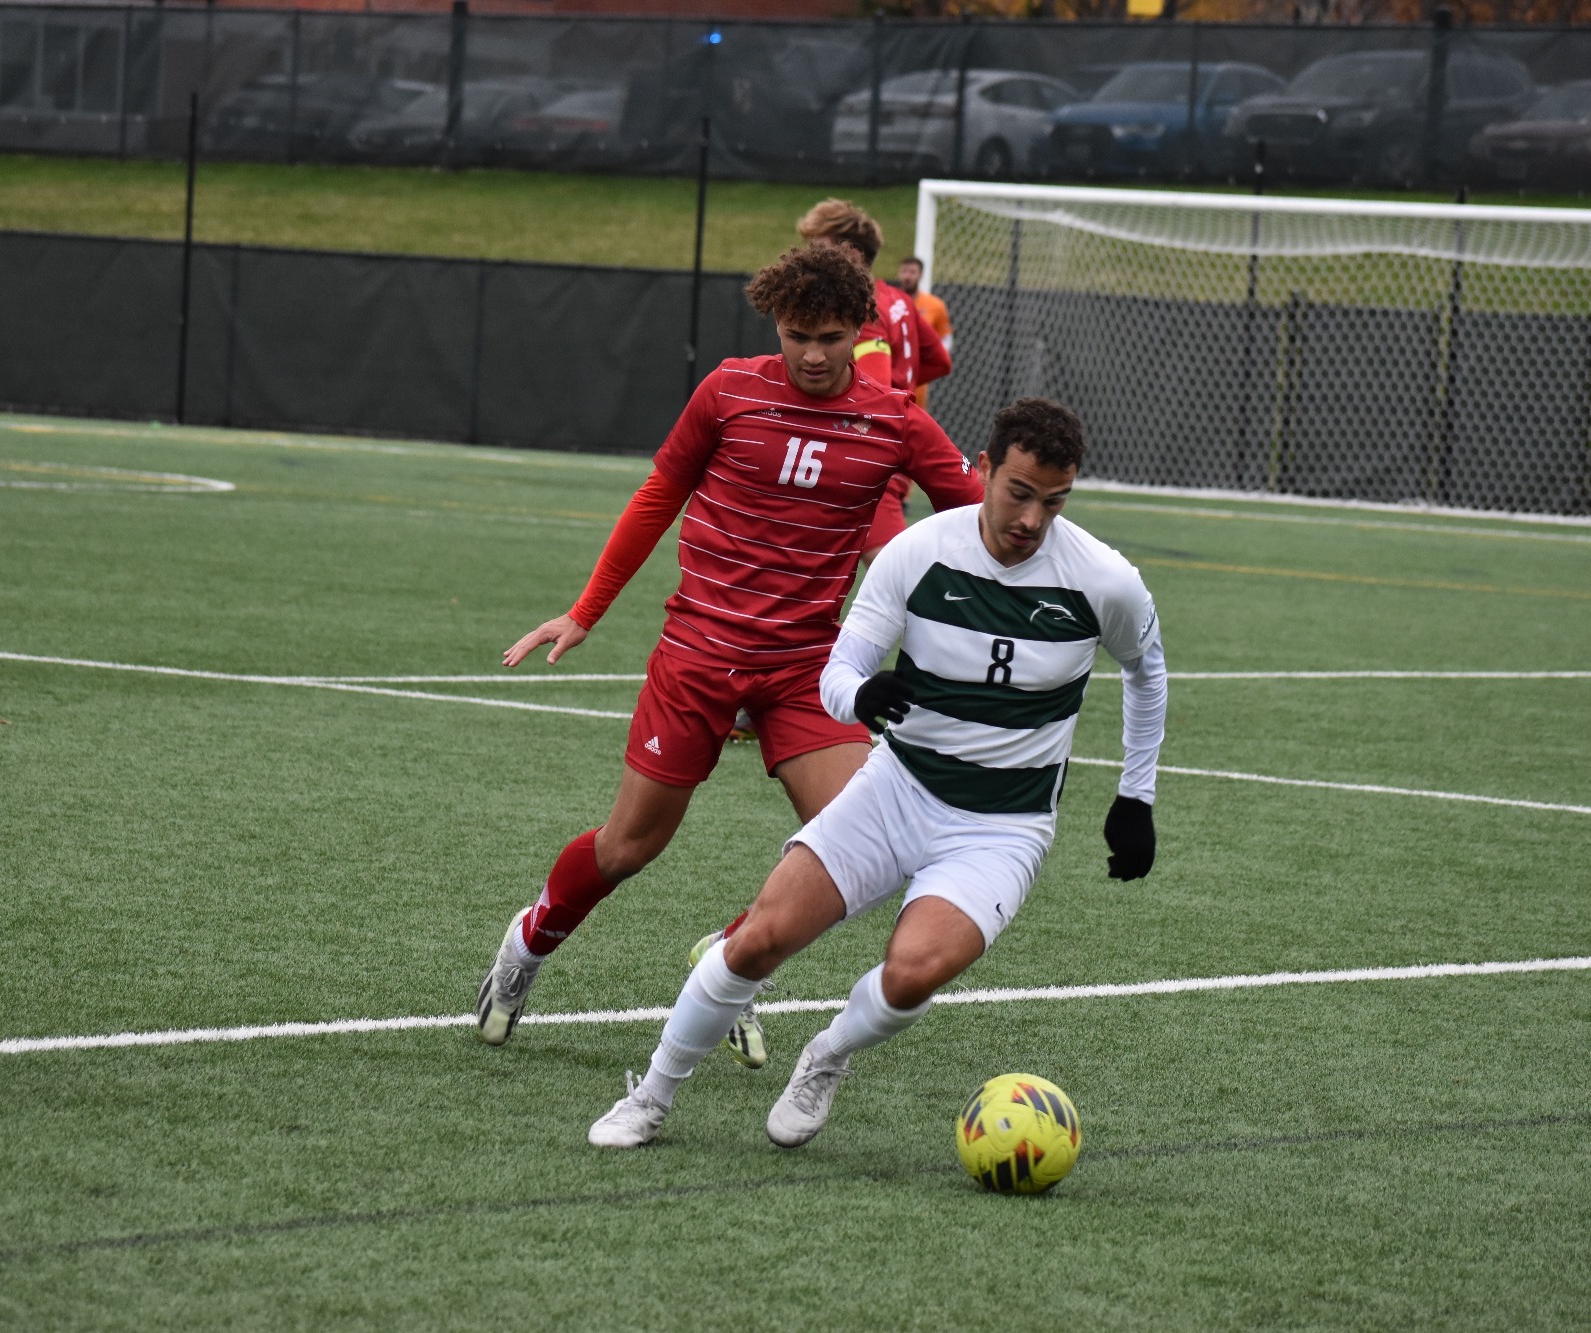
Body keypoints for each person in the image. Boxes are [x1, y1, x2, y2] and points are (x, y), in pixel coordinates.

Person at [586, 397, 1167, 1151]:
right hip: (894, 792)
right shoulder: (918, 553)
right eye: (1019, 492)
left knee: (912, 973)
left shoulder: (1105, 580)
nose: (1031, 519)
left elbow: (1146, 672)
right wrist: (860, 697)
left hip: (1002, 826)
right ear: (983, 470)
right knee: (758, 939)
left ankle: (828, 1054)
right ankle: (652, 1096)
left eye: (1053, 502)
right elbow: (841, 670)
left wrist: (1135, 796)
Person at [479, 244, 982, 1061]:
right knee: (628, 847)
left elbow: (977, 516)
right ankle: (529, 941)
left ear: (860, 331)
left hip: (806, 669)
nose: (812, 354)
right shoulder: (728, 390)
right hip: (698, 653)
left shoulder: (895, 419)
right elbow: (659, 495)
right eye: (796, 335)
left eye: (829, 337)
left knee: (865, 845)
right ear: (775, 325)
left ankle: (730, 954)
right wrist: (586, 610)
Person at [794, 202, 951, 565]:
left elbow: (872, 400)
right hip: (895, 445)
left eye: (818, 247)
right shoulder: (898, 299)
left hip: (871, 459)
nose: (809, 258)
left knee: (895, 573)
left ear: (850, 252)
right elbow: (940, 361)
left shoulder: (862, 309)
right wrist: (902, 386)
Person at [893, 256, 952, 412]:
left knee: (915, 412)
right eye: (904, 271)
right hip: (892, 368)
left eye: (912, 272)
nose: (908, 276)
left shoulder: (935, 305)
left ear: (920, 275)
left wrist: (930, 359)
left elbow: (945, 338)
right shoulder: (888, 302)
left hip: (917, 373)